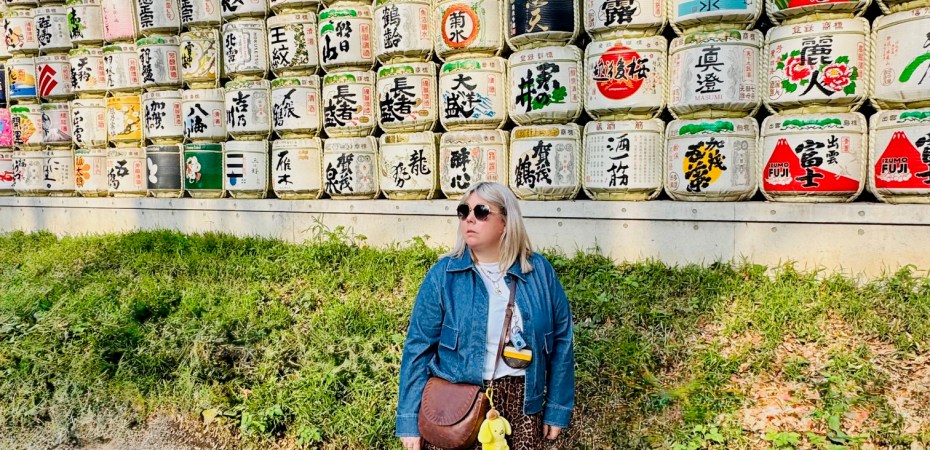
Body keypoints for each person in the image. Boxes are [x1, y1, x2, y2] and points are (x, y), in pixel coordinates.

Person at [395, 181, 575, 450]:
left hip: (524, 404)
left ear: (505, 221)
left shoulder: (538, 272)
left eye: (481, 211)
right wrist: (409, 420)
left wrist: (557, 407)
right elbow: (418, 348)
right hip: (459, 406)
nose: (469, 218)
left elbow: (562, 340)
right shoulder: (444, 276)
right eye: (463, 211)